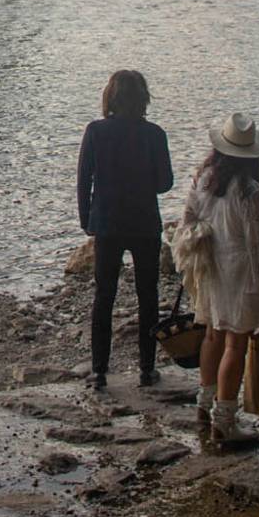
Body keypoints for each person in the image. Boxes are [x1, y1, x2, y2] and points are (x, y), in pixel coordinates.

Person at [172, 113, 259, 447]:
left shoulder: (205, 179)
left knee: (213, 336)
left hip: (211, 268)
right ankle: (225, 422)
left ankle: (204, 406)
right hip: (241, 273)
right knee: (236, 343)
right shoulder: (250, 190)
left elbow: (186, 221)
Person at [76, 70, 174, 391]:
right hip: (145, 223)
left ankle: (99, 371)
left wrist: (86, 219)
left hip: (107, 223)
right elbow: (165, 184)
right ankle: (147, 369)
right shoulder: (155, 135)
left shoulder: (95, 132)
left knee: (104, 296)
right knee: (148, 297)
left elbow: (83, 180)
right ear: (143, 99)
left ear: (110, 97)